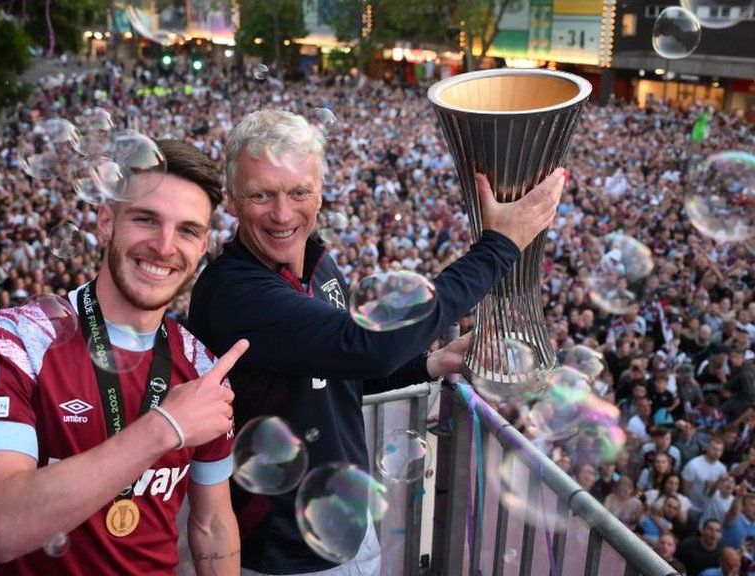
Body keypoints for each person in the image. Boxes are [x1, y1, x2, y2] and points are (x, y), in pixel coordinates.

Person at [188, 109, 565, 574]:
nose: (283, 214)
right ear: (231, 201)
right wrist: (499, 245)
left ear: (321, 192)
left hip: (343, 522)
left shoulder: (318, 265)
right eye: (261, 195)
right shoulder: (236, 292)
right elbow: (366, 346)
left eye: (299, 191)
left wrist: (429, 363)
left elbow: (341, 371)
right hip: (285, 554)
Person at [0, 140, 248, 575]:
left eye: (187, 230)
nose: (165, 246)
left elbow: (212, 525)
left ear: (203, 244)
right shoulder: (15, 339)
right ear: (106, 221)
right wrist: (165, 428)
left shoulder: (204, 372)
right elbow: (1, 527)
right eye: (146, 220)